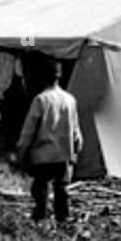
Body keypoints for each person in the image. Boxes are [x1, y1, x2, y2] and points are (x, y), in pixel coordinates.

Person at [16, 57, 83, 224]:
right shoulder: (70, 100)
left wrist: (22, 149)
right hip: (62, 153)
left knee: (41, 186)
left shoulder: (41, 100)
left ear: (43, 77)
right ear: (59, 77)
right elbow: (76, 131)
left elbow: (29, 129)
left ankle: (41, 217)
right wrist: (76, 151)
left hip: (43, 153)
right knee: (61, 188)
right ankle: (63, 219)